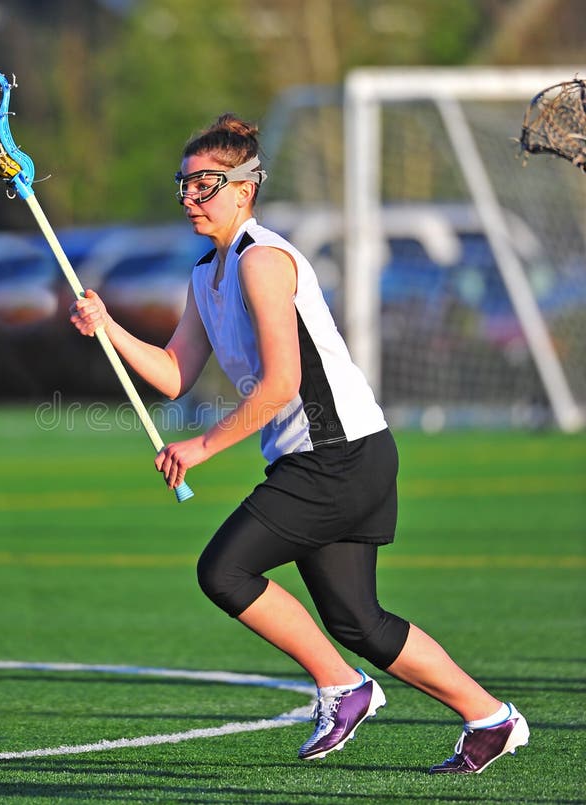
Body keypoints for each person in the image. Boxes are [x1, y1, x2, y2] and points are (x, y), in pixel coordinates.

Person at [69, 113, 529, 774]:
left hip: (339, 456)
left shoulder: (264, 260)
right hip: (328, 458)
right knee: (357, 621)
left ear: (244, 189)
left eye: (205, 185)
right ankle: (492, 718)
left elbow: (283, 382)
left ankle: (344, 687)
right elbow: (174, 374)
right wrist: (109, 325)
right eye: (184, 186)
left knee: (223, 570)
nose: (191, 199)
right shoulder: (208, 273)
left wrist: (202, 446)